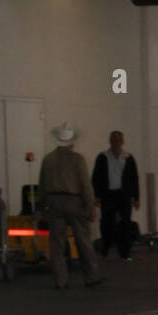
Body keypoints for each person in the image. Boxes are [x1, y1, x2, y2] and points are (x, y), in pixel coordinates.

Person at [37, 123, 104, 289]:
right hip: (74, 202)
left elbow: (42, 185)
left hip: (53, 202)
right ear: (71, 142)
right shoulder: (77, 159)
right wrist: (90, 205)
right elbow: (85, 185)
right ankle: (91, 276)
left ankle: (60, 280)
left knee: (57, 244)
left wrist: (42, 206)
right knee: (83, 241)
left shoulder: (48, 159)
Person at [92, 131, 140, 261]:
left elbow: (134, 179)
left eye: (118, 140)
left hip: (124, 195)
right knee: (106, 223)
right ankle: (105, 247)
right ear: (110, 141)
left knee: (125, 223)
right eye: (113, 140)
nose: (116, 143)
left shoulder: (128, 158)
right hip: (108, 194)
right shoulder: (103, 157)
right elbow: (96, 177)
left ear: (122, 142)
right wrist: (96, 196)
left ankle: (125, 252)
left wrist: (136, 198)